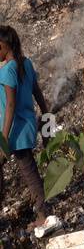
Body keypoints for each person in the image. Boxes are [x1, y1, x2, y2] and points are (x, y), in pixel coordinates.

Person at [0, 25, 52, 229]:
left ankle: (43, 214)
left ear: (2, 45)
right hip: (26, 126)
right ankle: (41, 210)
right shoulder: (26, 64)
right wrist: (48, 124)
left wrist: (3, 140)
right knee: (27, 169)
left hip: (12, 131)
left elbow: (10, 106)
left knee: (29, 172)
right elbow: (39, 95)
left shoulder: (7, 71)